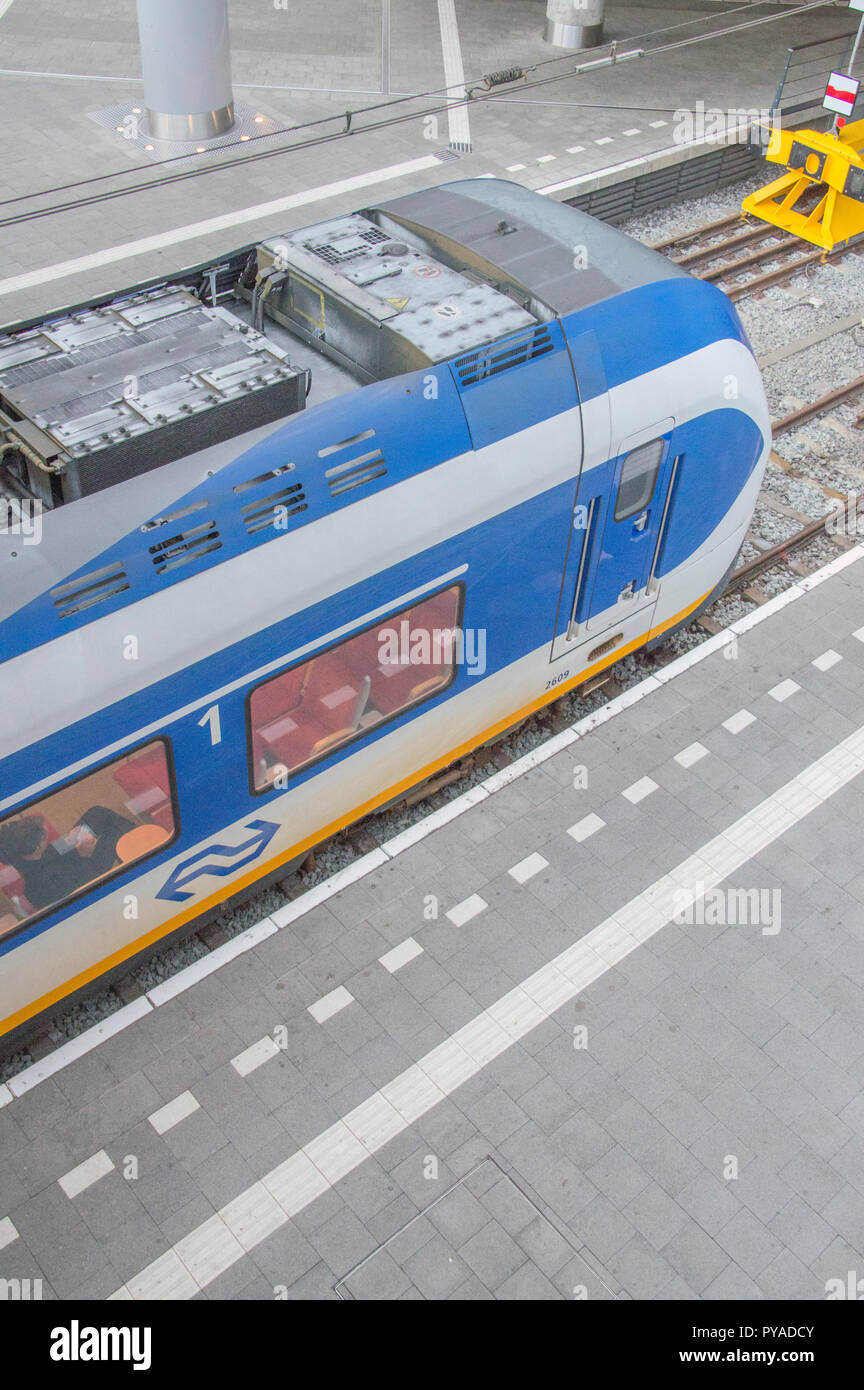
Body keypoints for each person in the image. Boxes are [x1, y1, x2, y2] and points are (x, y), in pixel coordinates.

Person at [0, 806, 135, 915]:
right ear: (37, 846)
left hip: (62, 862)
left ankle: (132, 840)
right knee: (117, 831)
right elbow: (84, 885)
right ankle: (137, 850)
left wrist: (68, 841)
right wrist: (83, 854)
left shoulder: (24, 854)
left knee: (97, 813)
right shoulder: (42, 884)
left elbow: (48, 853)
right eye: (44, 836)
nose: (47, 836)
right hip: (84, 877)